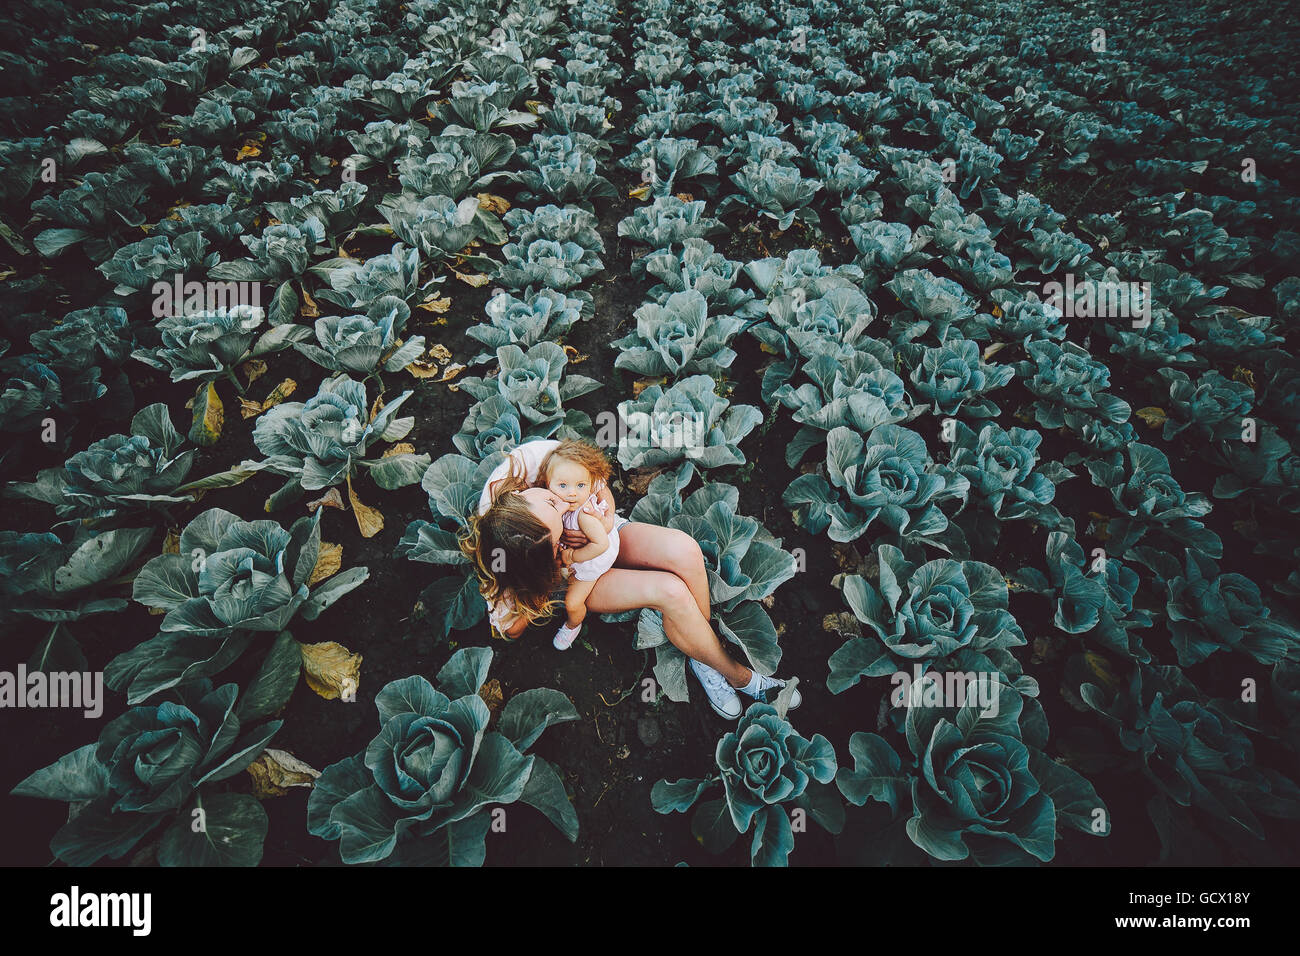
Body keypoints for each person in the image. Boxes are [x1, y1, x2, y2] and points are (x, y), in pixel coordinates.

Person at [459, 438, 801, 718]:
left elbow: (594, 478)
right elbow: (509, 630)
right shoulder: (502, 565)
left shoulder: (528, 462)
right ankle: (738, 676)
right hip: (578, 575)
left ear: (520, 494)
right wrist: (539, 584)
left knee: (685, 550)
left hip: (605, 535)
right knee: (671, 591)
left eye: (553, 501)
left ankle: (702, 655)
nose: (564, 508)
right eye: (556, 526)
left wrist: (602, 526)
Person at [538, 439, 620, 651]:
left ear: (591, 484)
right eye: (563, 485)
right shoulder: (558, 503)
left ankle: (573, 624)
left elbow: (600, 545)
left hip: (595, 556)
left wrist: (572, 556)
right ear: (548, 484)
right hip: (589, 548)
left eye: (580, 486)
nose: (572, 493)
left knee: (572, 602)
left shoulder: (584, 516)